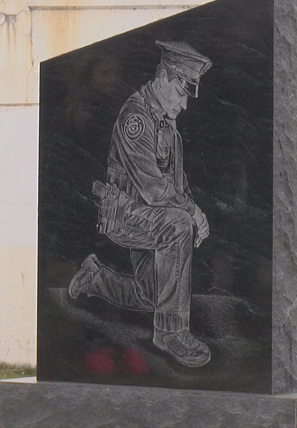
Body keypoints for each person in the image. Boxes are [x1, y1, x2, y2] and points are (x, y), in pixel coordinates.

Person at [68, 41, 213, 368]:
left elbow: (177, 182)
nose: (184, 104)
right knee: (178, 225)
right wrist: (191, 213)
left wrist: (192, 209)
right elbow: (152, 188)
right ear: (162, 76)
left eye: (188, 95)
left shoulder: (167, 126)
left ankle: (95, 278)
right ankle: (170, 333)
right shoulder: (137, 117)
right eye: (180, 91)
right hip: (125, 214)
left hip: (147, 218)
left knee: (153, 296)